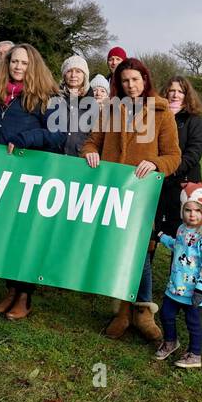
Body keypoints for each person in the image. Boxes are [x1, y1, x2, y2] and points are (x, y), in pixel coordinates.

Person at [82, 57, 182, 342]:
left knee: (141, 250)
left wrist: (155, 163)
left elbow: (174, 156)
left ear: (145, 80)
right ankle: (122, 310)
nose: (131, 85)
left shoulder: (161, 112)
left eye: (135, 79)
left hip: (142, 193)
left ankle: (142, 312)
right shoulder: (111, 110)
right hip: (113, 190)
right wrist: (90, 151)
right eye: (125, 80)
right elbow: (93, 141)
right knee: (116, 248)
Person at [0, 42, 67, 319]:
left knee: (24, 235)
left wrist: (25, 139)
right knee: (4, 234)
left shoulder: (49, 96)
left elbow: (58, 136)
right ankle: (10, 290)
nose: (18, 67)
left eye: (23, 62)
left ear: (32, 65)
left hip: (29, 176)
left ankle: (25, 295)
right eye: (14, 62)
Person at [150, 75, 202, 305]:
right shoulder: (155, 115)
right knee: (151, 230)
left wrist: (170, 168)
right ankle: (143, 278)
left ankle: (179, 284)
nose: (174, 94)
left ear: (187, 95)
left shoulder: (193, 120)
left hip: (182, 183)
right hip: (156, 182)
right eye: (171, 90)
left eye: (180, 91)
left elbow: (194, 152)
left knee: (181, 234)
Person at [154, 183, 202, 369]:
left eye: (197, 210)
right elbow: (178, 246)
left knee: (193, 322)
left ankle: (195, 354)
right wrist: (160, 236)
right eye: (188, 210)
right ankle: (170, 341)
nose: (192, 214)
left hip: (193, 291)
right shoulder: (182, 229)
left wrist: (201, 288)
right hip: (175, 286)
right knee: (166, 314)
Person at [52, 53, 96, 157]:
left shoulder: (92, 104)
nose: (73, 75)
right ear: (64, 75)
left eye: (78, 71)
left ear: (84, 75)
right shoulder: (53, 98)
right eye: (69, 71)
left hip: (78, 160)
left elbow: (95, 137)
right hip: (53, 158)